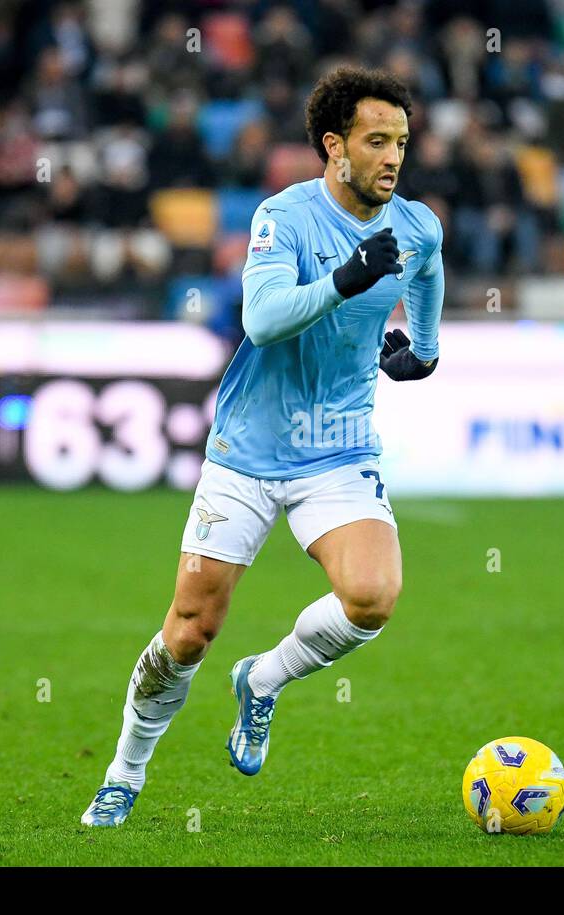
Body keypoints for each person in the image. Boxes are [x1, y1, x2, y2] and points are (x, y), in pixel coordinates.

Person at [82, 66, 445, 826]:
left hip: (340, 450)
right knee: (189, 632)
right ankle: (125, 770)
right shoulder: (285, 218)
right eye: (376, 141)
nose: (392, 158)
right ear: (332, 146)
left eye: (402, 143)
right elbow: (263, 319)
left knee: (373, 598)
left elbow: (430, 265)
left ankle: (265, 680)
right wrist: (346, 280)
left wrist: (426, 347)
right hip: (247, 452)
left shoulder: (414, 224)